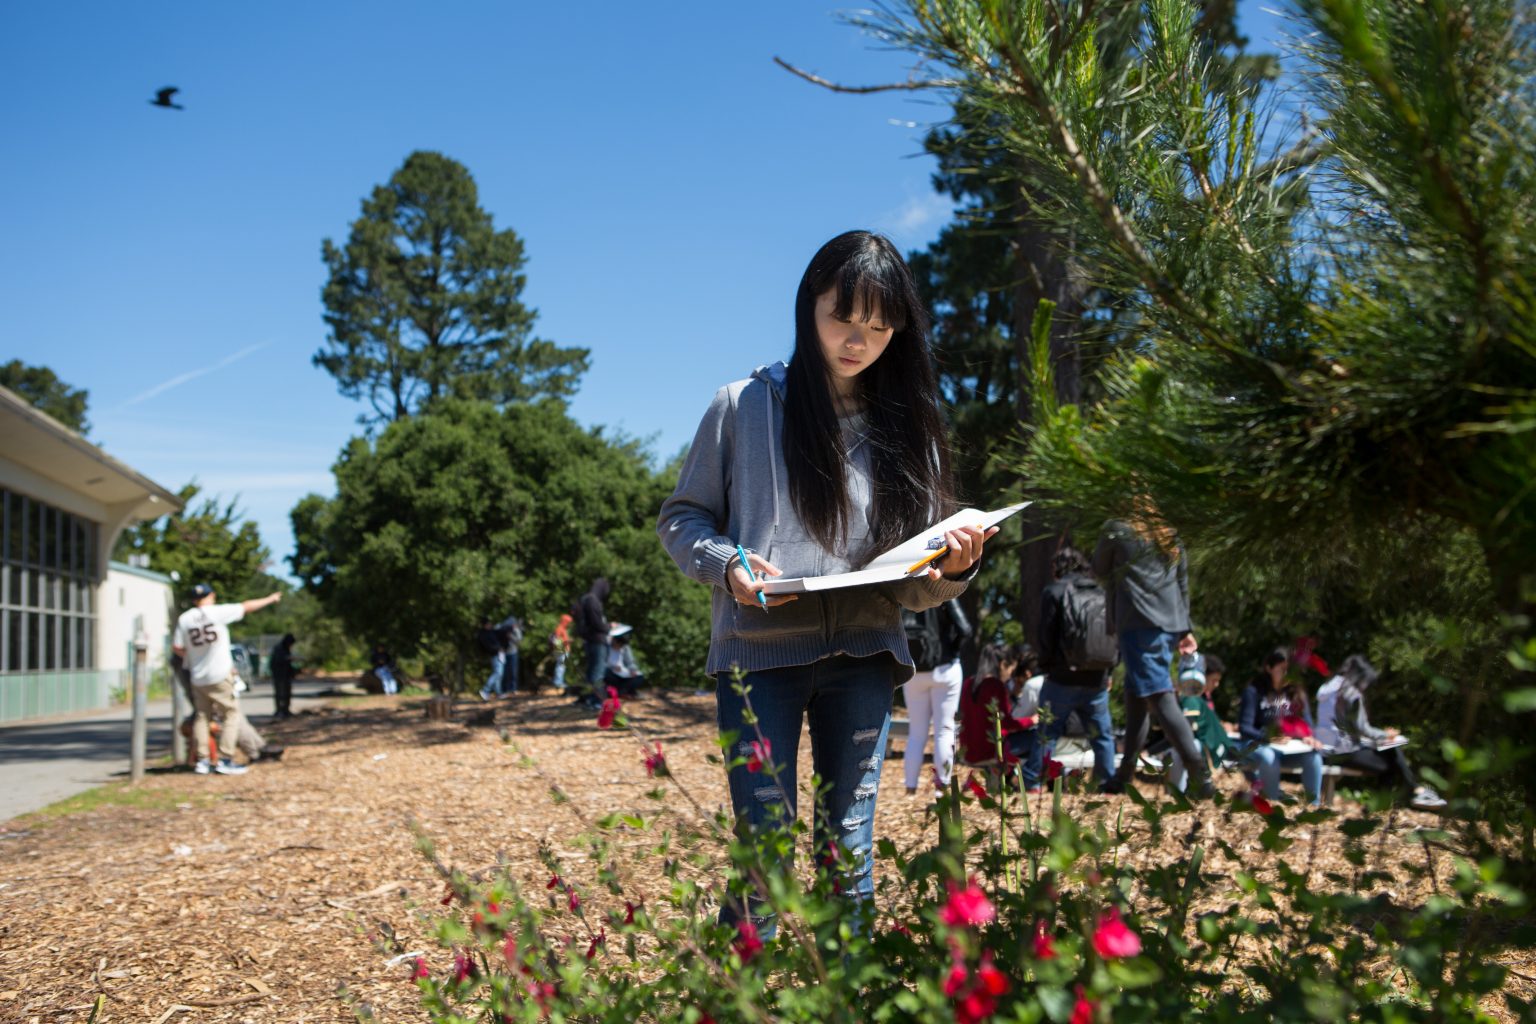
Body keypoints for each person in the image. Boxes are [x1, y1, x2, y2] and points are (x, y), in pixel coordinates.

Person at [656, 230, 993, 930]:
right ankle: (737, 999)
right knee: (766, 855)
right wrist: (729, 565)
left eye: (879, 326)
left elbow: (911, 585)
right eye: (844, 317)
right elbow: (682, 519)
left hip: (865, 655)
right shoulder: (742, 406)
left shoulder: (910, 427)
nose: (857, 340)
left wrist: (953, 569)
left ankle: (846, 993)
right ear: (810, 304)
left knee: (848, 852)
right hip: (759, 653)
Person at [1092, 512, 1213, 797]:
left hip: (1138, 622)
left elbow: (1099, 568)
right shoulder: (1168, 533)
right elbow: (1182, 583)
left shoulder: (1116, 528)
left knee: (1159, 695)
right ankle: (1123, 776)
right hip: (1167, 624)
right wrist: (1185, 629)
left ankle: (1201, 778)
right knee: (1136, 699)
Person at [172, 583, 281, 775]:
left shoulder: (185, 618)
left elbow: (178, 647)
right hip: (219, 674)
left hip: (198, 676)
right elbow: (246, 606)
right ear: (211, 595)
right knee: (231, 715)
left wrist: (194, 659)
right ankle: (225, 759)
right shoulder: (217, 612)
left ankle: (203, 761)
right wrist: (270, 599)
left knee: (202, 717)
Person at [1315, 654, 1445, 809]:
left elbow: (1345, 728)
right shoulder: (1351, 693)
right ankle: (1415, 791)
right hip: (1344, 753)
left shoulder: (1326, 688)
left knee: (1390, 754)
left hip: (1325, 751)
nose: (1364, 686)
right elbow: (1363, 729)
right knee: (1392, 755)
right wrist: (1387, 735)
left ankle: (1401, 797)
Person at [1036, 545, 1118, 783]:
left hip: (1062, 676)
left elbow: (1046, 635)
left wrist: (1046, 666)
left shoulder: (1054, 591)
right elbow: (1114, 633)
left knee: (1046, 733)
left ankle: (1033, 782)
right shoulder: (1101, 592)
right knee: (1102, 736)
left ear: (1057, 567)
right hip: (1097, 676)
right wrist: (1110, 669)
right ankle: (1106, 783)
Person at [1237, 647, 1325, 805]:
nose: (1286, 674)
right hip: (1258, 745)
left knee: (1314, 757)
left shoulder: (1296, 693)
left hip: (1289, 749)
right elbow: (1245, 728)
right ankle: (1272, 803)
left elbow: (1307, 725)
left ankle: (1314, 806)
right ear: (1269, 668)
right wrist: (1268, 737)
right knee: (1269, 757)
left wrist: (1309, 738)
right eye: (1282, 669)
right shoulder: (1254, 692)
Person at [901, 599, 972, 794]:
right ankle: (942, 788)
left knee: (916, 733)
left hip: (914, 669)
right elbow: (965, 629)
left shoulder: (908, 591)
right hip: (945, 668)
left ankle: (910, 788)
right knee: (944, 730)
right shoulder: (944, 592)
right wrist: (952, 651)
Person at [956, 643, 1040, 785]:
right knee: (1041, 737)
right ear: (1002, 664)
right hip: (990, 750)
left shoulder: (968, 683)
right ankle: (1028, 781)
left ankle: (1007, 775)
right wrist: (1032, 720)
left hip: (968, 750)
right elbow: (1006, 723)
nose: (1011, 674)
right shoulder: (996, 685)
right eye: (1011, 668)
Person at [574, 579, 612, 709]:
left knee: (591, 672)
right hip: (597, 641)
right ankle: (597, 701)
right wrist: (609, 627)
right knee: (598, 673)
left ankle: (588, 699)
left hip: (589, 640)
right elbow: (597, 623)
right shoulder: (592, 600)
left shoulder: (584, 599)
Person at [604, 629, 646, 698]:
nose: (619, 646)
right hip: (610, 672)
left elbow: (630, 662)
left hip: (623, 673)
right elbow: (601, 663)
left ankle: (621, 692)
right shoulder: (605, 646)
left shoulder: (625, 647)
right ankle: (624, 692)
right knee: (607, 674)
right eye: (618, 644)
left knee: (639, 678)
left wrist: (633, 670)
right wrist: (612, 667)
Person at [476, 619, 506, 701]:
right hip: (494, 655)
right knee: (497, 673)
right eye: (489, 624)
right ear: (485, 625)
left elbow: (501, 635)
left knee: (499, 674)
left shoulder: (492, 632)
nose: (490, 625)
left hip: (499, 655)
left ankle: (499, 692)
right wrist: (498, 649)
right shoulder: (483, 635)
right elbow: (488, 647)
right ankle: (485, 690)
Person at [269, 634, 299, 716]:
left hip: (286, 675)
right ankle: (279, 710)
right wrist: (289, 658)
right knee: (280, 693)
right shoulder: (279, 649)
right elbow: (278, 660)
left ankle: (286, 710)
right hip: (279, 675)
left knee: (287, 693)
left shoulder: (286, 648)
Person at [549, 613, 573, 693]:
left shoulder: (563, 628)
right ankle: (558, 683)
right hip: (561, 650)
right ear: (564, 621)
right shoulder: (559, 628)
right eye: (568, 622)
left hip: (563, 650)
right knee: (560, 666)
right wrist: (567, 642)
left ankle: (559, 682)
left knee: (562, 667)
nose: (569, 624)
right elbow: (556, 641)